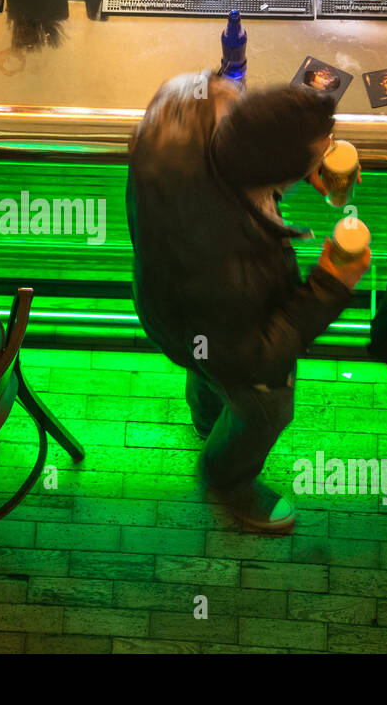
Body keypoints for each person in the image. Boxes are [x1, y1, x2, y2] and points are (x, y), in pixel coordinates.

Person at [127, 73, 371, 532]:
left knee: (203, 363)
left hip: (168, 305)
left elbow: (232, 116)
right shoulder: (224, 264)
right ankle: (226, 479)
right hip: (207, 325)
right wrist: (331, 285)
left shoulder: (185, 106)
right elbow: (257, 356)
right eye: (322, 151)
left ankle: (206, 419)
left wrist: (292, 166)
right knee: (267, 408)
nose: (329, 152)